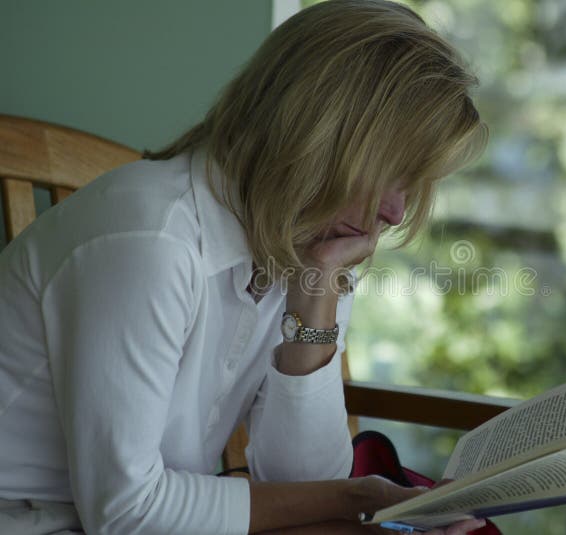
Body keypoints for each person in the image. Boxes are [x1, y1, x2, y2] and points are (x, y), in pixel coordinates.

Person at [0, 0, 488, 533]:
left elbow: (305, 482)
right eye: (392, 174)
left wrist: (316, 298)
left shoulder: (311, 244)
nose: (393, 214)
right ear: (317, 132)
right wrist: (357, 498)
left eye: (411, 187)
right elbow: (127, 514)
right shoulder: (151, 241)